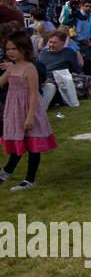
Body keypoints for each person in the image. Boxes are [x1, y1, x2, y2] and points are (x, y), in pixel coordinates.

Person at [0, 30, 57, 191]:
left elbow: (34, 94)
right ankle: (7, 171)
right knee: (19, 140)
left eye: (13, 48)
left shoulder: (29, 69)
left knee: (33, 144)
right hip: (15, 110)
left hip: (29, 110)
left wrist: (30, 117)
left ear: (24, 48)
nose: (10, 52)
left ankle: (30, 179)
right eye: (7, 49)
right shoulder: (12, 67)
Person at [38, 28, 83, 109]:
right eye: (50, 42)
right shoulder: (44, 52)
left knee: (50, 86)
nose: (51, 45)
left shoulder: (68, 52)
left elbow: (76, 70)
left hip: (58, 82)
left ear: (62, 44)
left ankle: (40, 109)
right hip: (41, 80)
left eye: (54, 43)